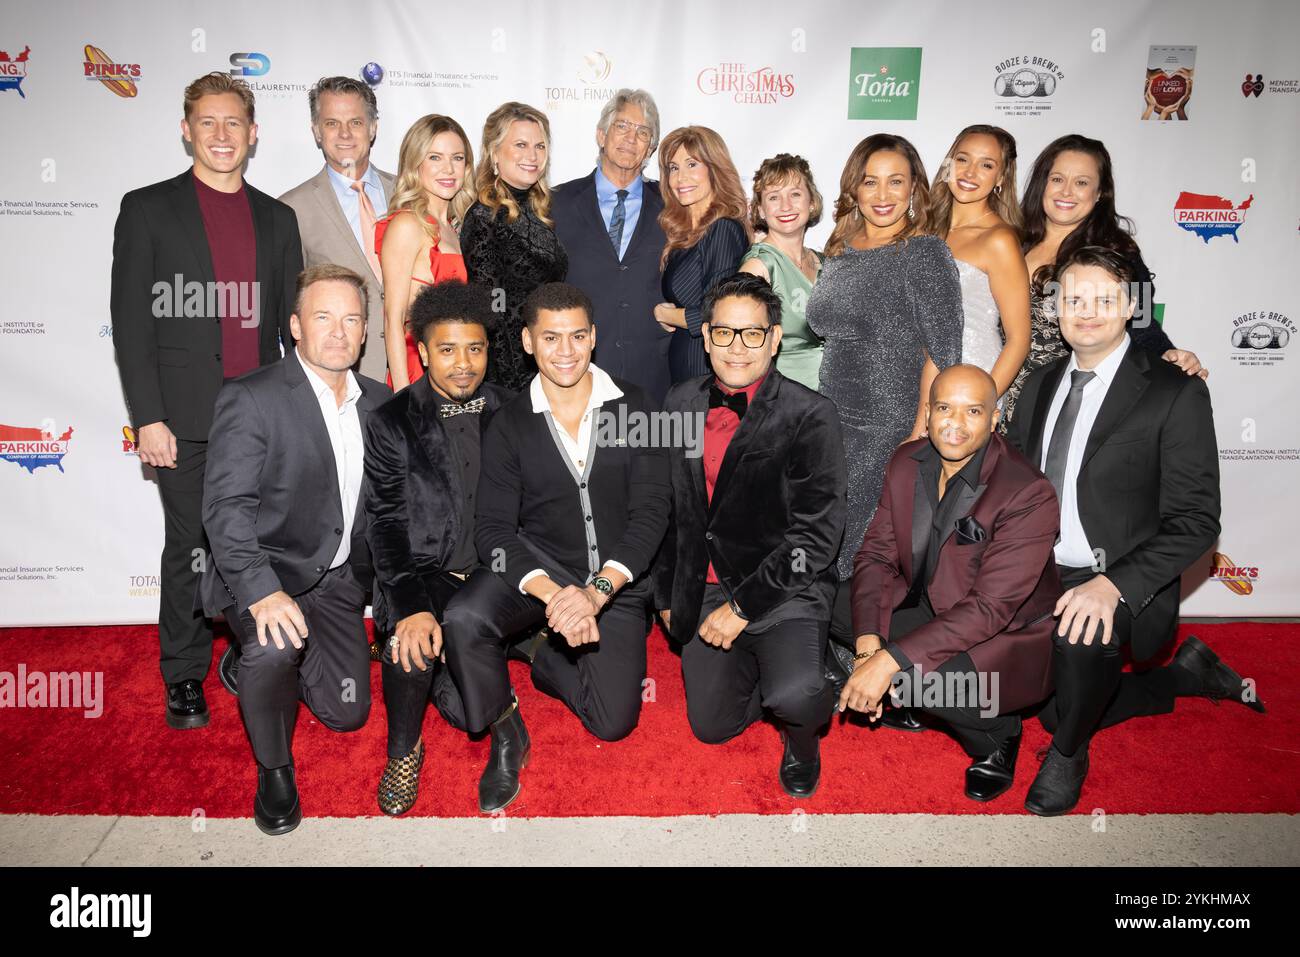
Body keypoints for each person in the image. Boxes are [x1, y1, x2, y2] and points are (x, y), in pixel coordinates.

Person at [1004, 246, 1262, 817]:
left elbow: (1196, 521)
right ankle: (1182, 677)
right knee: (1035, 700)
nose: (1087, 311)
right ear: (1055, 307)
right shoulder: (1040, 383)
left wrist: (1112, 584)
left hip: (1118, 574)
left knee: (1077, 655)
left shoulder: (1174, 390)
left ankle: (1068, 753)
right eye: (1074, 298)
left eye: (1104, 299)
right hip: (1040, 569)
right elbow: (1016, 484)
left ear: (1131, 308)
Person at [110, 72, 302, 731]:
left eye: (234, 123)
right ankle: (184, 673)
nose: (222, 135)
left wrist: (296, 411)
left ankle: (258, 652)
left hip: (259, 417)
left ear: (254, 133)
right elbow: (131, 324)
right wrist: (148, 418)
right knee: (191, 543)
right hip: (183, 417)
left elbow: (290, 327)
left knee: (261, 538)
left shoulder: (278, 218)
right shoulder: (147, 209)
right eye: (208, 122)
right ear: (186, 130)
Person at [442, 282, 670, 813]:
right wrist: (557, 596)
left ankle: (537, 652)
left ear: (594, 337)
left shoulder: (638, 405)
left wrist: (596, 593)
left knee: (612, 723)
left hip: (618, 577)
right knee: (464, 617)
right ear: (527, 341)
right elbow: (493, 532)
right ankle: (505, 731)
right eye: (550, 337)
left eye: (577, 336)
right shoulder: (509, 422)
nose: (565, 351)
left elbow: (652, 513)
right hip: (540, 567)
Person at [198, 265, 391, 835]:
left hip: (336, 579)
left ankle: (260, 666)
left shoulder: (380, 402)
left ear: (365, 332)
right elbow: (226, 510)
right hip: (267, 570)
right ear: (296, 326)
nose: (338, 331)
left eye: (351, 319)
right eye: (323, 317)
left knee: (347, 713)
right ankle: (274, 768)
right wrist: (261, 593)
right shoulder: (251, 397)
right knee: (273, 647)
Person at [655, 274, 846, 797]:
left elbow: (817, 538)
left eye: (752, 334)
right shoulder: (679, 401)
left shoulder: (812, 414)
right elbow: (667, 508)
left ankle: (802, 734)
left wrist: (743, 608)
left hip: (784, 586)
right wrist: (666, 595)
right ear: (706, 336)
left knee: (796, 694)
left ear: (775, 338)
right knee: (710, 727)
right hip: (707, 585)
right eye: (724, 332)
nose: (736, 348)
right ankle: (777, 667)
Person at [840, 365, 1059, 801]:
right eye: (944, 408)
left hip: (1000, 636)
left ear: (994, 418)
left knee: (910, 680)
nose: (954, 423)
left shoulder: (1026, 492)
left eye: (972, 411)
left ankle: (999, 734)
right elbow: (876, 555)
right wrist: (867, 647)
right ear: (927, 413)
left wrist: (887, 663)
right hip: (929, 603)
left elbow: (989, 609)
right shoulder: (906, 461)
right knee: (820, 600)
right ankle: (916, 698)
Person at [806, 133, 964, 656]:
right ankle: (828, 653)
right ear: (854, 187)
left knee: (861, 549)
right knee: (825, 535)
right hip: (831, 417)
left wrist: (917, 435)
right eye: (870, 181)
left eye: (896, 181)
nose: (882, 194)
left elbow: (943, 351)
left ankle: (867, 659)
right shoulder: (841, 247)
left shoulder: (923, 252)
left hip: (888, 425)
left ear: (915, 187)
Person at [363, 280, 513, 815]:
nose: (463, 364)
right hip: (426, 572)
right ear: (423, 353)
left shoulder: (511, 409)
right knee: (410, 647)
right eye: (447, 350)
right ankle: (404, 750)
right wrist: (409, 607)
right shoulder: (391, 421)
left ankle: (471, 656)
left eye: (475, 349)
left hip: (494, 573)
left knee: (470, 708)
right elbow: (384, 523)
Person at [1002, 134, 1205, 424]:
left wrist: (1168, 353)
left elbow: (1142, 322)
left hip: (1067, 401)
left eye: (1082, 182)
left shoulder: (1119, 251)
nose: (1066, 191)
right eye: (1057, 179)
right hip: (996, 396)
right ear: (1042, 183)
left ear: (1100, 193)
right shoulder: (1009, 240)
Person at [552, 90, 671, 404]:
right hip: (577, 372)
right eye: (622, 126)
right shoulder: (556, 203)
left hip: (655, 375)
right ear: (601, 135)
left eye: (643, 132)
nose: (632, 138)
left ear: (651, 148)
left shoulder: (674, 206)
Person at [279, 76, 395, 381]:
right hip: (341, 375)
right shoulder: (291, 209)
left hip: (416, 370)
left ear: (373, 128)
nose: (345, 133)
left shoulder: (409, 194)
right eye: (332, 123)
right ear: (317, 131)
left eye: (355, 122)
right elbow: (290, 305)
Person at [461, 102, 568, 391]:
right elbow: (492, 308)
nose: (532, 156)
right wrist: (512, 389)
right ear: (494, 152)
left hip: (546, 360)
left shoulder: (536, 210)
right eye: (521, 145)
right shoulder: (486, 216)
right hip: (513, 374)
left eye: (540, 146)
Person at [374, 115, 476, 389]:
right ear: (415, 164)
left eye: (457, 158)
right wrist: (404, 396)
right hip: (417, 375)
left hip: (457, 373)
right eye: (434, 157)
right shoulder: (407, 225)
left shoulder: (457, 230)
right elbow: (393, 320)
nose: (448, 169)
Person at [928, 125, 1030, 398]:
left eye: (986, 165)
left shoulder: (999, 240)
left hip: (973, 377)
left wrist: (982, 403)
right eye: (962, 159)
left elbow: (1019, 340)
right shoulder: (924, 229)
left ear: (1001, 177)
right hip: (917, 378)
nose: (970, 172)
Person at [655, 126, 751, 384]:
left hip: (707, 372)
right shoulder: (686, 233)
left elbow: (716, 314)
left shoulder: (723, 229)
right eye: (673, 168)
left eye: (692, 164)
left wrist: (665, 314)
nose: (680, 177)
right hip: (686, 369)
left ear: (714, 169)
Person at [738, 154, 826, 390]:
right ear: (761, 210)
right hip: (784, 396)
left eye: (795, 194)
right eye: (774, 197)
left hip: (830, 392)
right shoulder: (758, 266)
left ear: (811, 202)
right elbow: (742, 345)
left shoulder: (823, 262)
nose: (785, 206)